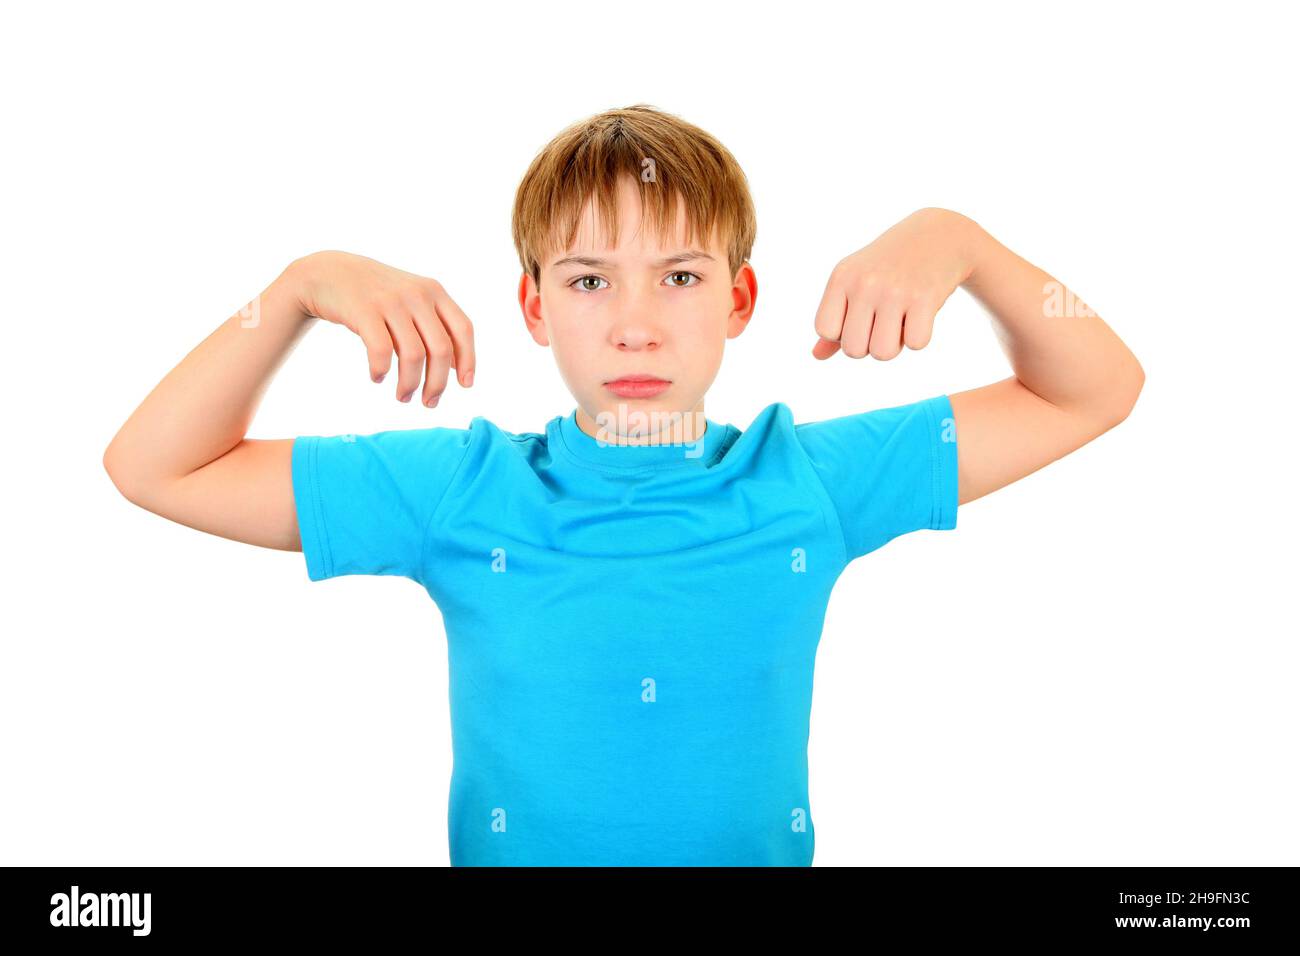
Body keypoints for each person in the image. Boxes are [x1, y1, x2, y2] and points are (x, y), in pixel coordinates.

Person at [103, 104, 1144, 866]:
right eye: (589, 279)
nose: (634, 321)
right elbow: (153, 464)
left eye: (679, 276)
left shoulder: (805, 478)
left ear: (738, 298)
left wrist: (957, 239)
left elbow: (1093, 389)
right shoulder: (463, 488)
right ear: (535, 303)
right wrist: (297, 288)